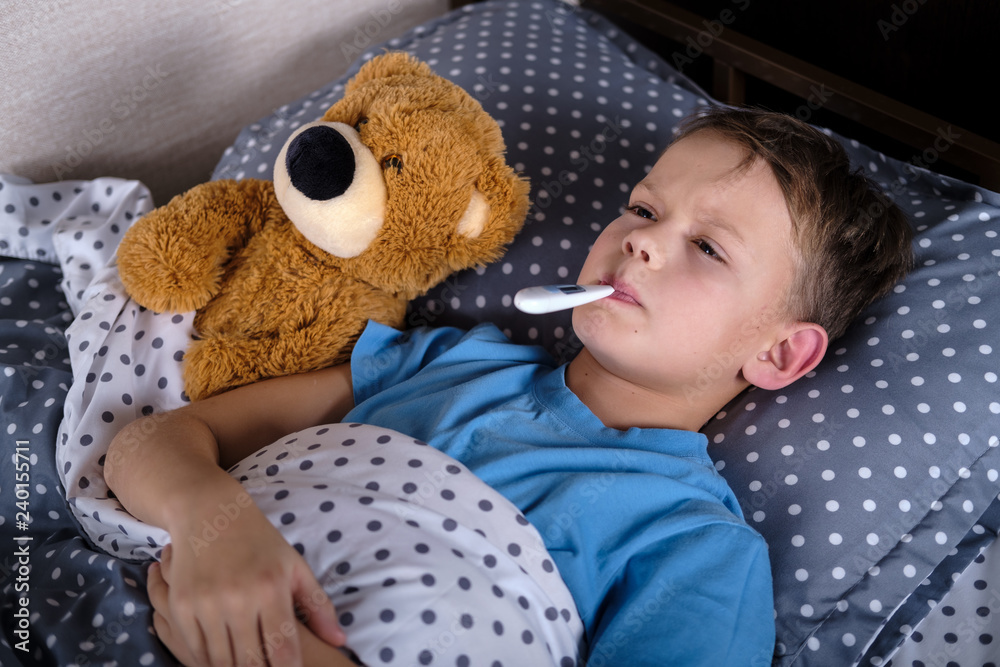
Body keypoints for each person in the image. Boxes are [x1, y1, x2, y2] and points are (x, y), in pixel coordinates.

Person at [105, 106, 914, 667]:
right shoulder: (446, 362)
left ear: (779, 356)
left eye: (707, 247)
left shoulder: (695, 547)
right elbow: (153, 442)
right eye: (641, 207)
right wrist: (217, 528)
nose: (640, 243)